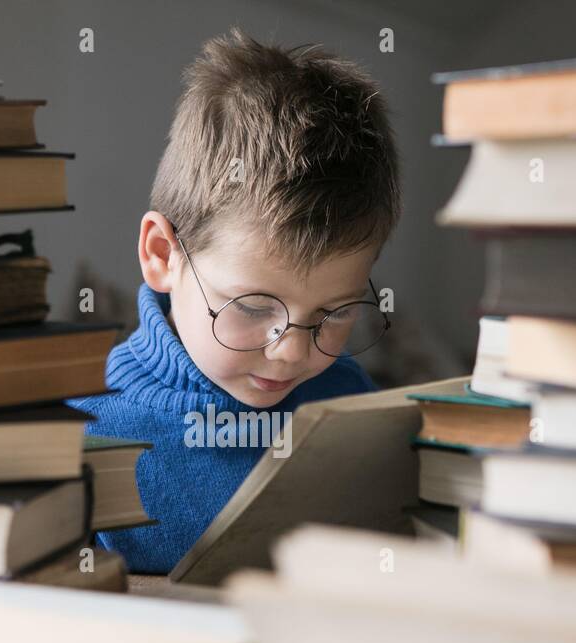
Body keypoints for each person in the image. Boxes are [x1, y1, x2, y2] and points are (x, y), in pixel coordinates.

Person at [71, 28, 401, 572]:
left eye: (335, 313)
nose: (293, 353)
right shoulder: (82, 435)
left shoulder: (347, 402)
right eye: (251, 306)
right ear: (162, 254)